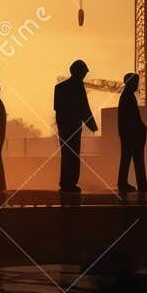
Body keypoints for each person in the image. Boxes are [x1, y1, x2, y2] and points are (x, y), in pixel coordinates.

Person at [53, 60, 98, 193]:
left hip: (64, 127)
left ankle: (64, 182)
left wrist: (61, 127)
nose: (84, 75)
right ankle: (71, 183)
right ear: (79, 72)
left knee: (66, 154)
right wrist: (92, 125)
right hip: (73, 127)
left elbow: (58, 109)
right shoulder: (78, 86)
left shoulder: (59, 87)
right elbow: (84, 108)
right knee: (73, 155)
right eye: (84, 72)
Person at [116, 72, 147, 194]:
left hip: (129, 134)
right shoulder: (128, 97)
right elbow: (132, 117)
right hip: (131, 135)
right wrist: (141, 128)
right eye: (136, 82)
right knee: (136, 160)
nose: (137, 85)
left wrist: (142, 127)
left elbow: (132, 117)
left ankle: (127, 183)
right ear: (131, 83)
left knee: (128, 159)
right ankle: (140, 184)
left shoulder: (127, 96)